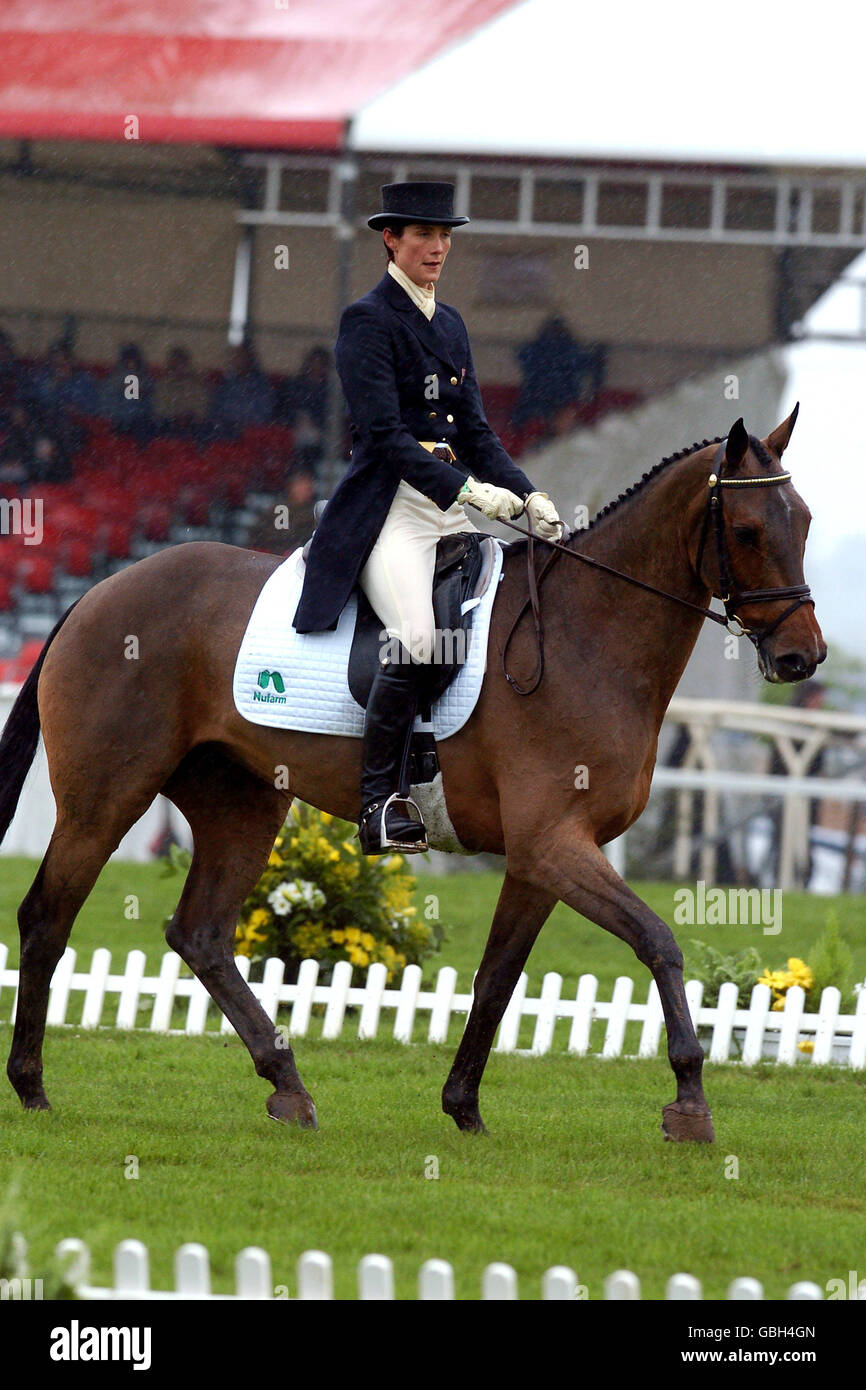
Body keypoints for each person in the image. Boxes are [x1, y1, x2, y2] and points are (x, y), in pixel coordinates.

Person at [292, 181, 562, 855]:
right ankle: (380, 802)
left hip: (451, 506)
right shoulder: (368, 320)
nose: (437, 248)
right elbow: (382, 435)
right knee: (416, 637)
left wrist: (527, 493)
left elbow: (474, 431)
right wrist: (471, 492)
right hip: (393, 509)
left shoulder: (451, 326)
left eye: (445, 237)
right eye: (423, 235)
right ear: (392, 239)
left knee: (500, 620)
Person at [512, 315, 605, 431]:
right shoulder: (572, 352)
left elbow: (521, 356)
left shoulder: (534, 350)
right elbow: (590, 365)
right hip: (564, 397)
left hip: (536, 395)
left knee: (525, 422)